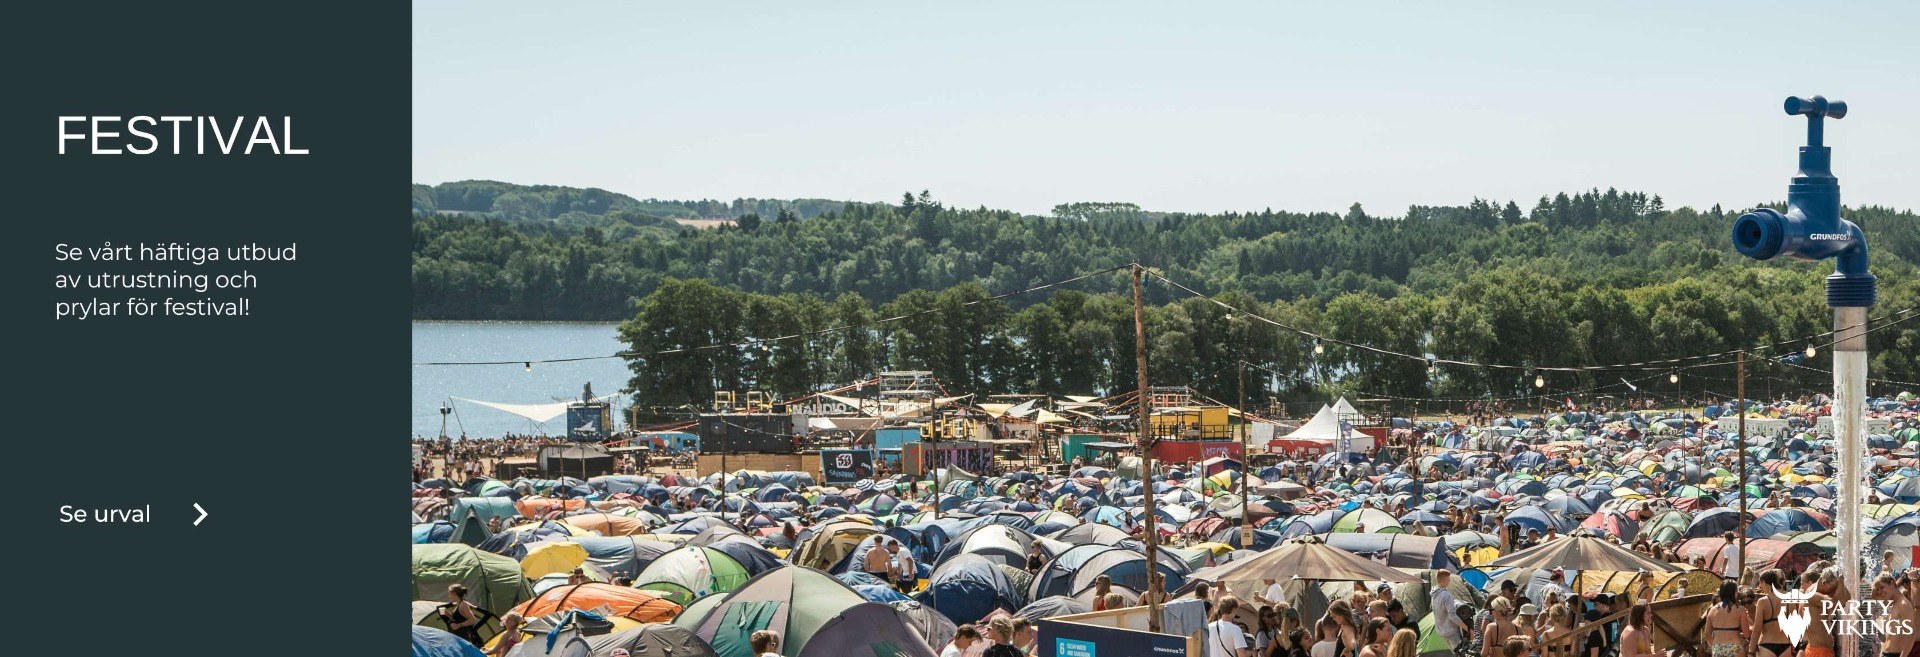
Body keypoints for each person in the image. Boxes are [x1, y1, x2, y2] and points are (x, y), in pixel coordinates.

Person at [1750, 569, 1790, 657]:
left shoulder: (1763, 601)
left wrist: (1751, 652)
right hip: (1785, 645)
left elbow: (1756, 630)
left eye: (1760, 583)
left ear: (1764, 582)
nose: (1760, 586)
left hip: (1767, 645)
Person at [1702, 581, 1748, 657]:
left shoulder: (1712, 610)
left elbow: (1707, 634)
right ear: (1734, 592)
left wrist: (1714, 647)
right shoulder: (1740, 609)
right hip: (1735, 647)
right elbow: (1747, 634)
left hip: (1718, 648)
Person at [1431, 570, 1468, 651]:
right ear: (1444, 580)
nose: (1449, 581)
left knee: (1453, 653)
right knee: (1460, 653)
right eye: (1448, 579)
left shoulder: (1433, 594)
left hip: (1441, 631)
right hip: (1451, 631)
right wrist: (1467, 628)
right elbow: (1452, 616)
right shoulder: (1446, 595)